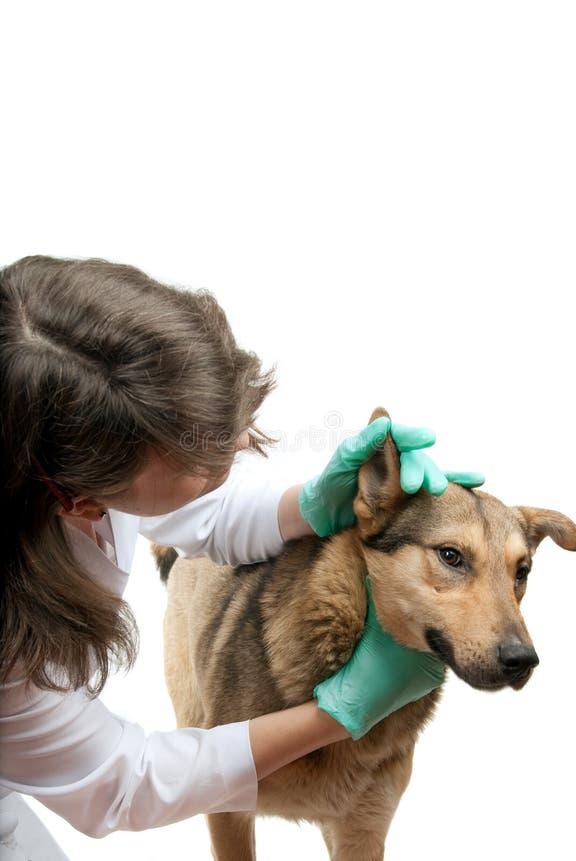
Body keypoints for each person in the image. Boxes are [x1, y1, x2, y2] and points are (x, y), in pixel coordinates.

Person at [0, 256, 483, 857]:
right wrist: (337, 715)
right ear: (78, 500)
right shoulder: (9, 647)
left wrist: (311, 503)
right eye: (199, 458)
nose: (239, 443)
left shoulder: (55, 448)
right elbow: (122, 785)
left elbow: (194, 509)